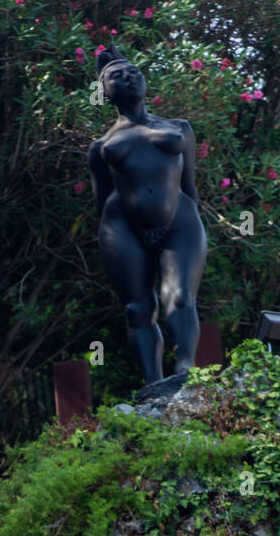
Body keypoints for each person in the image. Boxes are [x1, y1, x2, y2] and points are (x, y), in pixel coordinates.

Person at [88, 44, 207, 387]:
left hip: (178, 218)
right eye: (116, 76)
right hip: (122, 224)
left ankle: (185, 371)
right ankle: (153, 385)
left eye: (133, 71)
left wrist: (175, 222)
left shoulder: (179, 129)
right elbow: (101, 200)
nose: (128, 77)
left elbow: (189, 186)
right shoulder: (102, 146)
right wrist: (128, 233)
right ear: (105, 93)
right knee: (137, 309)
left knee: (180, 297)